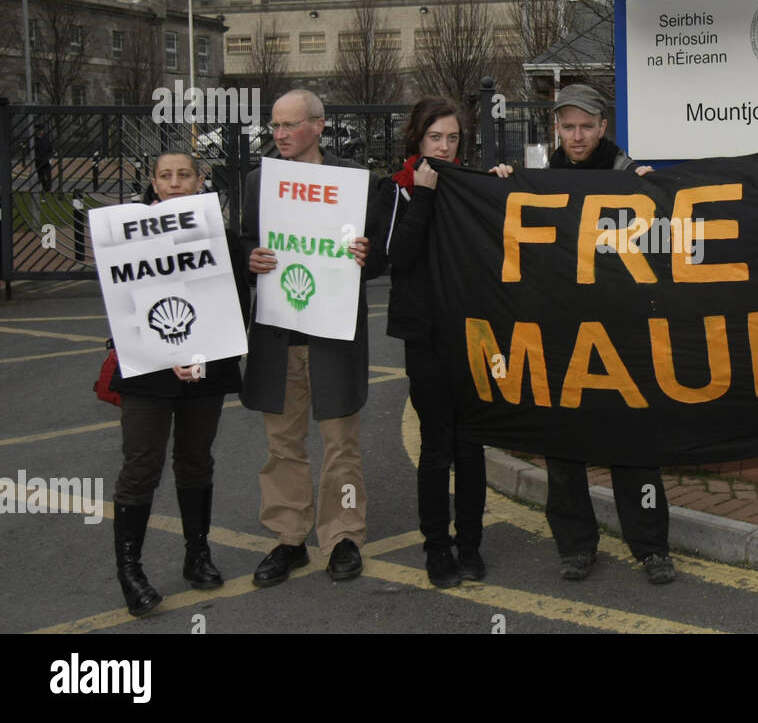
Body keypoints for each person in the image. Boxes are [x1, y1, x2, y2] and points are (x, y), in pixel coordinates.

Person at [490, 83, 672, 584]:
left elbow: (666, 247)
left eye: (586, 126)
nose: (577, 135)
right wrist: (498, 184)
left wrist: (656, 192)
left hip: (622, 330)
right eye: (568, 126)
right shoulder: (538, 179)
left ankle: (651, 547)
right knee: (563, 443)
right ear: (557, 128)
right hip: (561, 331)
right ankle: (576, 546)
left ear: (602, 128)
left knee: (632, 443)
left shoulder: (632, 177)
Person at [241, 88, 387, 587]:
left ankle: (345, 536)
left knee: (340, 444)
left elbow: (381, 253)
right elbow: (244, 241)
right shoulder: (259, 182)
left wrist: (369, 255)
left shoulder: (350, 182)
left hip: (333, 335)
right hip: (279, 336)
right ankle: (289, 539)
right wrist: (250, 259)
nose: (279, 135)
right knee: (283, 445)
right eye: (275, 126)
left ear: (318, 126)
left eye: (290, 125)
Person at [108, 150, 248, 616]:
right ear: (153, 181)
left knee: (195, 459)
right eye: (165, 176)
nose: (173, 183)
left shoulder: (219, 235)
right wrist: (164, 352)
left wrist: (201, 349)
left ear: (199, 180)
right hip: (147, 368)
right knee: (141, 465)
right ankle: (131, 571)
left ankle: (197, 554)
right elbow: (120, 302)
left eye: (183, 175)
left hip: (203, 366)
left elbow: (233, 301)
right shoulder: (124, 237)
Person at [382, 96, 487, 589]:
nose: (444, 148)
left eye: (452, 139)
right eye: (435, 138)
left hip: (471, 334)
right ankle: (436, 546)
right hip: (424, 336)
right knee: (436, 446)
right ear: (416, 140)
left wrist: (504, 184)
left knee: (470, 445)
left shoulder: (473, 186)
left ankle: (469, 544)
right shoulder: (396, 190)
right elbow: (397, 257)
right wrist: (423, 196)